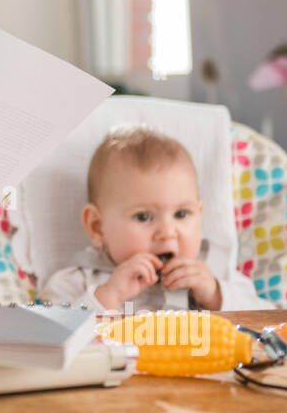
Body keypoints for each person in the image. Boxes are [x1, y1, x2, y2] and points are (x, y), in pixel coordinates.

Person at [36, 126, 271, 313]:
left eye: (181, 214)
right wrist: (108, 297)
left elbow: (267, 323)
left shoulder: (215, 273)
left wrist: (215, 295)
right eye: (144, 216)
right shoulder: (77, 282)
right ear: (97, 227)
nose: (167, 232)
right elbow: (46, 336)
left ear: (200, 214)